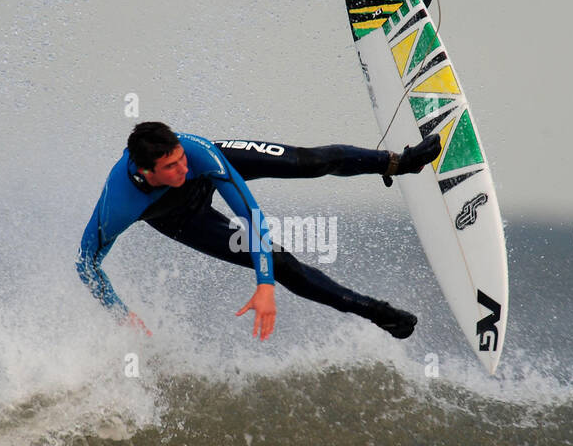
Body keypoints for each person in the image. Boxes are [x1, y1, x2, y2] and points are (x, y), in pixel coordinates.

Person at [77, 121, 441, 341]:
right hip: (179, 218)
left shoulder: (196, 153)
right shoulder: (118, 206)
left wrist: (263, 286)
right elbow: (86, 264)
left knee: (311, 162)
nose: (182, 167)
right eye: (171, 166)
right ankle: (378, 313)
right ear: (146, 172)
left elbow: (251, 216)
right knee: (282, 263)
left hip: (215, 171)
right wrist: (121, 313)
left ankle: (400, 163)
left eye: (180, 156)